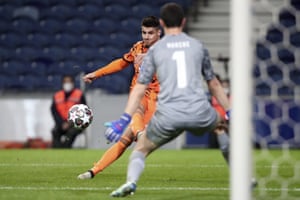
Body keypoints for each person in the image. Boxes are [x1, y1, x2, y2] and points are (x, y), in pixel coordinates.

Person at [106, 3, 231, 197]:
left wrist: (124, 119)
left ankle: (131, 181)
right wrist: (230, 111)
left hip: (168, 114)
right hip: (197, 109)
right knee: (221, 128)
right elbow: (213, 84)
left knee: (141, 149)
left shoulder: (154, 51)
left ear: (162, 24)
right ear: (184, 21)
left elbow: (139, 88)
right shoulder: (197, 46)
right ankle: (243, 178)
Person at [77, 16, 161, 179]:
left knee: (127, 139)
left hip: (157, 100)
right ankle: (93, 171)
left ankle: (139, 135)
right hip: (140, 93)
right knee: (136, 112)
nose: (146, 36)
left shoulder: (167, 50)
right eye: (144, 32)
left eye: (150, 33)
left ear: (159, 33)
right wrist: (96, 74)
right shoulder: (137, 47)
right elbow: (121, 63)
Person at [51, 75, 87, 148]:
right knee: (55, 131)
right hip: (61, 123)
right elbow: (54, 112)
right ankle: (57, 150)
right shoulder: (57, 95)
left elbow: (84, 111)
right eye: (65, 82)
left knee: (71, 132)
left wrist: (70, 123)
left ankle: (65, 149)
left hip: (75, 124)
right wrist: (61, 123)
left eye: (69, 82)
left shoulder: (79, 94)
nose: (67, 84)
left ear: (73, 83)